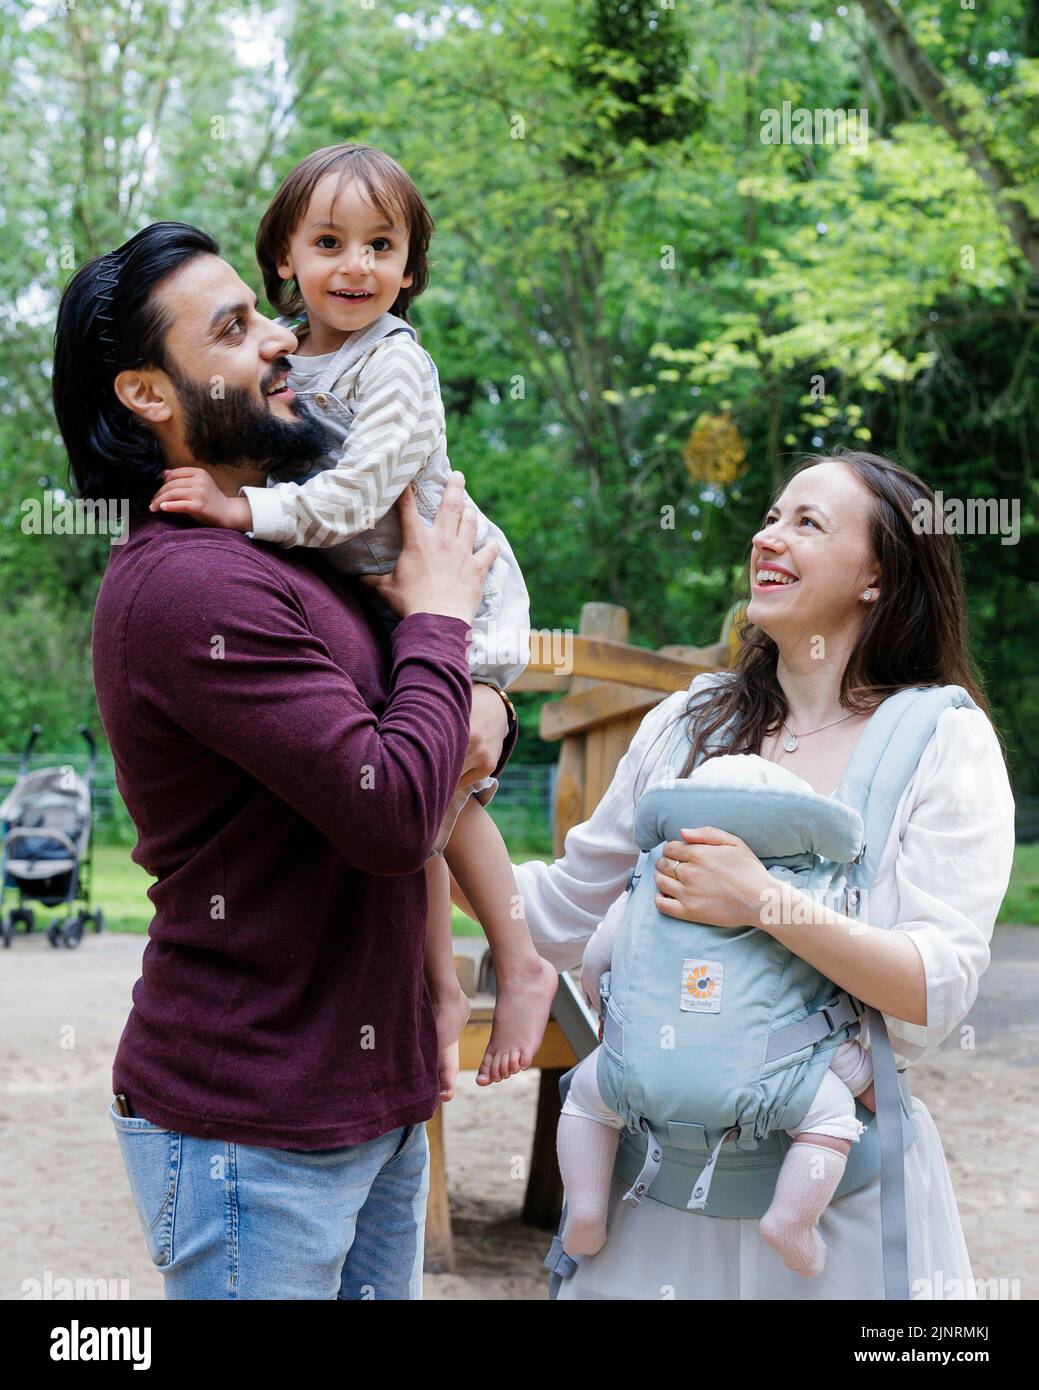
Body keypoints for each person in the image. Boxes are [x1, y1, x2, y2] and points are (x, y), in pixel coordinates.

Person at [52, 220, 514, 1299]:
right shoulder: (192, 590)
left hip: (370, 1102)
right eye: (235, 328)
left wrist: (478, 686)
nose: (282, 341)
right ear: (149, 395)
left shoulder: (285, 549)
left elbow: (430, 723)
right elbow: (396, 807)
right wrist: (442, 621)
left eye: (264, 314)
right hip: (253, 1129)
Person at [457, 450, 1016, 1299]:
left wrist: (761, 902)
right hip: (652, 1198)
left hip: (834, 1198)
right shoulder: (688, 722)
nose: (768, 537)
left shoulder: (942, 740)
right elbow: (559, 916)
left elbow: (934, 989)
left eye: (807, 523)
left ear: (877, 575)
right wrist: (424, 798)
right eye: (768, 517)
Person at [147, 143, 557, 1093]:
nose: (356, 266)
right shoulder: (286, 344)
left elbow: (358, 489)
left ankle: (519, 956)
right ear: (283, 256)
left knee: (442, 792)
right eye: (328, 241)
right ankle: (439, 987)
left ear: (410, 270)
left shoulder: (396, 366)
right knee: (403, 806)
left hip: (452, 581)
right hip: (385, 603)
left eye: (382, 246)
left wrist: (243, 510)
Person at [557, 751, 875, 1275]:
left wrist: (606, 1015)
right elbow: (829, 995)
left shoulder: (653, 877)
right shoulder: (801, 895)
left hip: (638, 1070)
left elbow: (597, 958)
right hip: (770, 1082)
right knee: (832, 1120)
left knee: (586, 1105)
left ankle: (587, 1208)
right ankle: (791, 1221)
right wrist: (863, 1077)